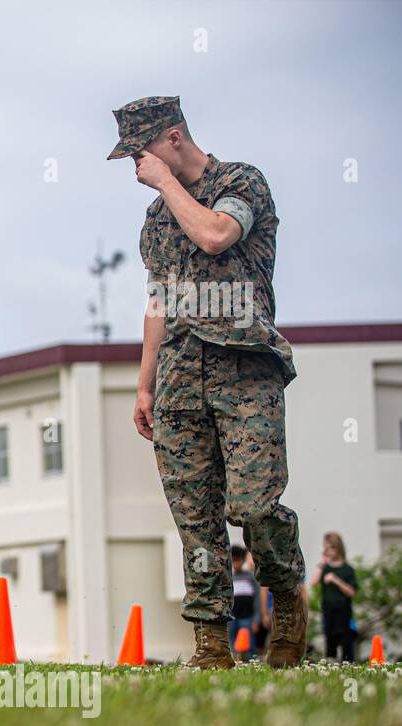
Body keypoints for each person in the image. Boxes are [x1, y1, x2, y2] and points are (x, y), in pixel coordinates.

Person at [113, 96, 306, 669]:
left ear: (172, 139)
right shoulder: (154, 219)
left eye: (141, 153)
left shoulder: (241, 182)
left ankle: (288, 599)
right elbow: (158, 301)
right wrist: (144, 384)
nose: (136, 167)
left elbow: (217, 235)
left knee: (255, 506)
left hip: (244, 369)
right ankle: (211, 642)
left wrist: (169, 186)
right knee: (194, 516)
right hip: (178, 378)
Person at [310, 532, 358, 662]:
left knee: (346, 644)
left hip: (344, 614)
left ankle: (349, 668)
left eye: (331, 547)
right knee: (330, 643)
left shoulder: (348, 569)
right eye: (326, 548)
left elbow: (352, 592)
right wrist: (322, 563)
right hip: (328, 612)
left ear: (338, 548)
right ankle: (331, 667)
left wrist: (335, 580)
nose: (329, 551)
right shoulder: (324, 568)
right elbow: (313, 582)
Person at [229, 545, 258, 660]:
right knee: (232, 638)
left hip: (248, 615)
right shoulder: (230, 578)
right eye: (234, 561)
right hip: (232, 616)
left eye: (238, 560)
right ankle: (233, 659)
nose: (236, 563)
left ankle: (250, 659)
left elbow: (257, 599)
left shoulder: (250, 578)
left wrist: (257, 617)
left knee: (248, 639)